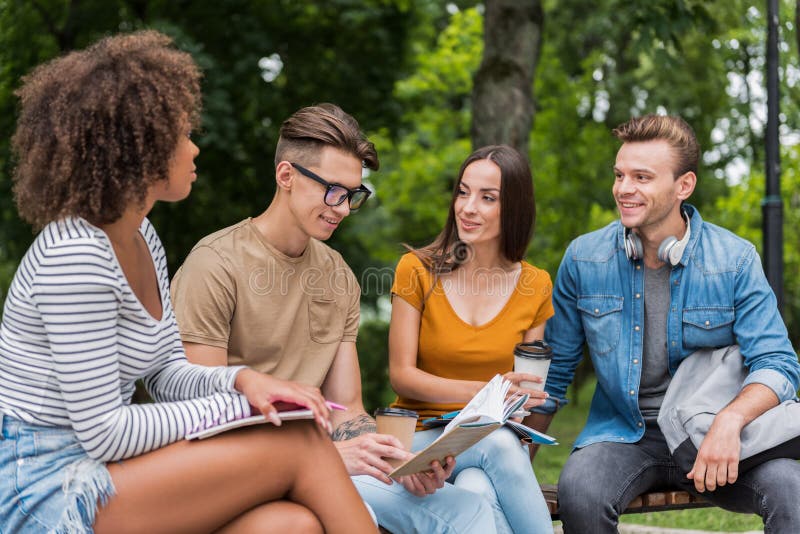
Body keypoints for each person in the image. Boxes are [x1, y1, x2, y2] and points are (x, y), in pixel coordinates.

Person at [0, 31, 376, 534]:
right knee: (300, 440)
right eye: (181, 134)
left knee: (289, 524)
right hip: (45, 486)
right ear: (140, 150)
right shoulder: (76, 255)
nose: (194, 147)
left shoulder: (142, 235)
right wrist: (239, 403)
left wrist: (244, 380)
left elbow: (165, 375)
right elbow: (105, 432)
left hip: (103, 472)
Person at [170, 103, 497, 533]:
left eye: (353, 195)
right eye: (333, 191)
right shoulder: (213, 265)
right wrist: (318, 460)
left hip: (321, 462)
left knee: (468, 508)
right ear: (286, 176)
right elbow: (199, 416)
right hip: (238, 472)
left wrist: (393, 458)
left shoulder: (338, 275)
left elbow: (349, 411)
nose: (342, 208)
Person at [534, 114, 800, 532]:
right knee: (581, 490)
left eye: (641, 177)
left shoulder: (735, 260)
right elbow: (553, 377)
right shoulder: (584, 259)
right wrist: (516, 462)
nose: (623, 189)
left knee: (792, 491)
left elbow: (778, 364)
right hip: (626, 435)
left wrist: (730, 421)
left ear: (684, 186)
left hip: (715, 432)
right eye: (619, 175)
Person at [389, 145, 555, 534]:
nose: (467, 207)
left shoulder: (536, 284)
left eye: (487, 197)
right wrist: (489, 391)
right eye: (463, 192)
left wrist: (519, 399)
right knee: (498, 446)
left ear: (513, 207)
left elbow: (523, 387)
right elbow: (402, 376)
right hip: (419, 440)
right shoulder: (416, 270)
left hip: (483, 440)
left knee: (477, 488)